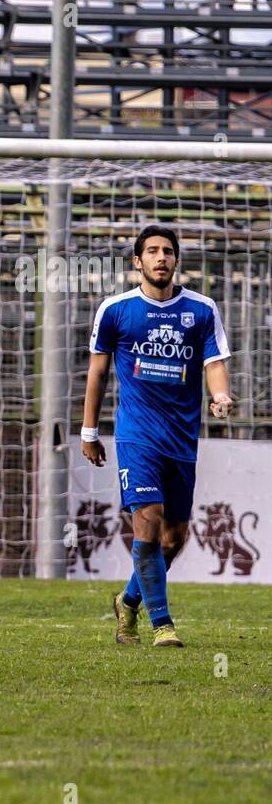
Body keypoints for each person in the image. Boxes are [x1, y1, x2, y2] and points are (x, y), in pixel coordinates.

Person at [81, 224, 234, 648]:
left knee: (175, 537)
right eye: (152, 251)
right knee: (146, 521)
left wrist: (220, 395)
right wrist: (89, 431)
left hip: (181, 439)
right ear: (138, 262)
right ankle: (162, 624)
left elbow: (215, 362)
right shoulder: (116, 310)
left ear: (176, 260)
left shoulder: (201, 310)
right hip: (136, 435)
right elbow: (97, 373)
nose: (161, 257)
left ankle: (128, 600)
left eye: (167, 251)